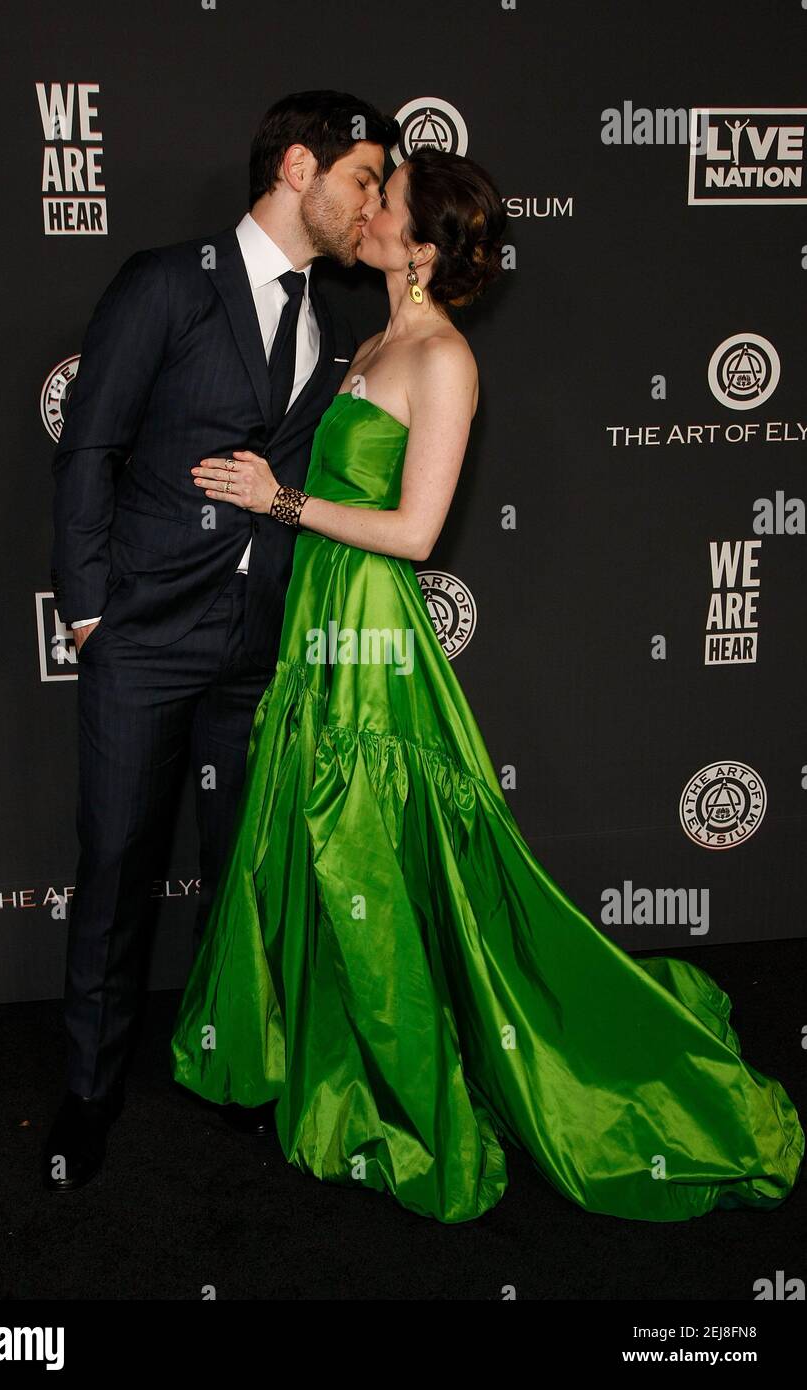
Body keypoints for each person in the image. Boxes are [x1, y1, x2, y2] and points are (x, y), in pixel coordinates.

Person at [170, 146, 805, 1224]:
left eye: (386, 200)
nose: (367, 210)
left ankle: (411, 1078)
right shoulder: (376, 338)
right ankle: (328, 1053)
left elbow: (417, 534)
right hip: (323, 617)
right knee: (326, 834)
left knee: (364, 838)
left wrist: (279, 501)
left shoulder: (444, 360)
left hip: (371, 628)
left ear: (419, 248)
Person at [45, 90, 400, 1192]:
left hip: (255, 649)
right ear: (298, 167)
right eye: (363, 179)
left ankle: (225, 1064)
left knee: (240, 872)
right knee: (117, 868)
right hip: (145, 639)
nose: (373, 203)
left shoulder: (329, 329)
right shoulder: (168, 282)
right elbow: (89, 447)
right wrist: (89, 612)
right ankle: (87, 1096)